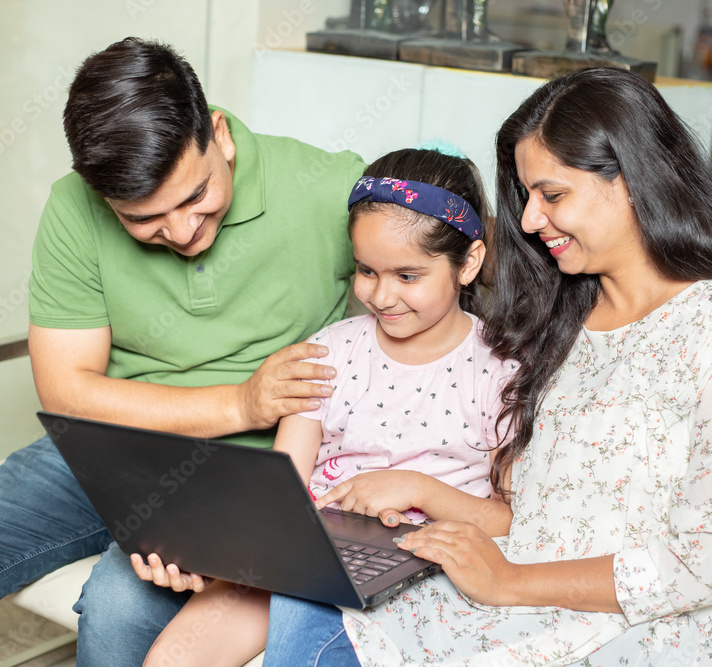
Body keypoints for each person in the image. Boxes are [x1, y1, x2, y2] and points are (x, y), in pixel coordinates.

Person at [262, 66, 712, 667]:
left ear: (635, 180)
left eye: (553, 195)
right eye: (528, 197)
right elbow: (524, 508)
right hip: (525, 601)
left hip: (655, 631)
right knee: (312, 598)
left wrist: (507, 581)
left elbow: (706, 564)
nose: (530, 220)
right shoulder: (559, 323)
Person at [0, 37, 366, 667]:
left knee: (118, 611)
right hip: (105, 446)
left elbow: (442, 292)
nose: (182, 233)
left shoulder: (330, 187)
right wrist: (240, 401)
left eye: (195, 196)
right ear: (104, 200)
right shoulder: (73, 209)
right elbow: (68, 390)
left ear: (220, 135)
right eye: (145, 220)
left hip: (245, 473)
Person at [131, 148, 519, 667]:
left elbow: (511, 519)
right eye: (365, 270)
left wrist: (420, 489)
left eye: (408, 276)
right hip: (309, 554)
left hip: (428, 568)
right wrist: (207, 551)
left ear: (468, 263)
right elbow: (282, 491)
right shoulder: (327, 355)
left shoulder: (503, 371)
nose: (380, 296)